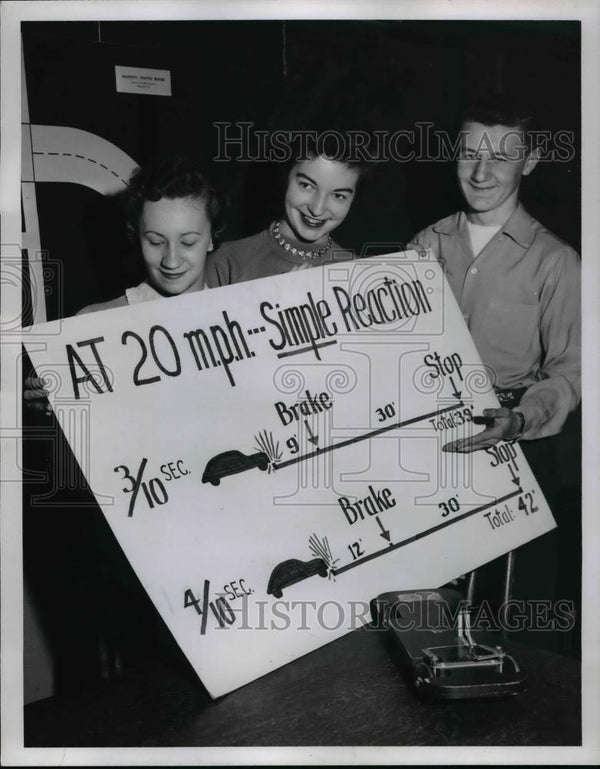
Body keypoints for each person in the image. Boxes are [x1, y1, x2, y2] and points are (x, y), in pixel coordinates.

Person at [410, 94, 580, 453]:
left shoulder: (556, 260)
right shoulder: (425, 243)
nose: (480, 173)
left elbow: (572, 372)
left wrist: (520, 418)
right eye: (470, 154)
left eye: (500, 158)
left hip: (513, 443)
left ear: (530, 162)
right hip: (425, 428)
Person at [25, 155, 223, 412]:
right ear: (136, 237)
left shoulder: (245, 324)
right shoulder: (92, 325)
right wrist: (50, 404)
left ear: (211, 239)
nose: (171, 261)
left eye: (188, 242)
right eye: (155, 241)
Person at [205, 136, 367, 286]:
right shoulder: (227, 262)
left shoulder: (361, 275)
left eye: (338, 195)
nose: (317, 209)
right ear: (285, 178)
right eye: (307, 185)